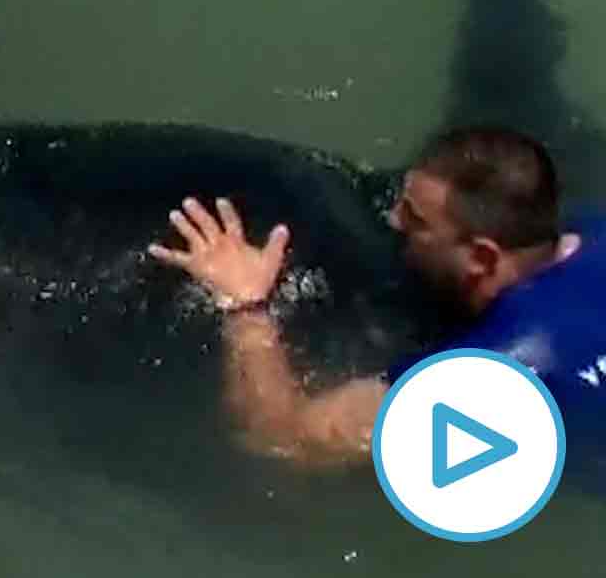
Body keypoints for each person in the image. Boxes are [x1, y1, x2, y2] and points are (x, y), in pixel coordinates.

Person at [150, 126, 605, 486]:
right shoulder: (593, 228)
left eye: (417, 219)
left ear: (482, 257)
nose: (393, 220)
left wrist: (245, 305)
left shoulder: (493, 375)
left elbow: (280, 439)